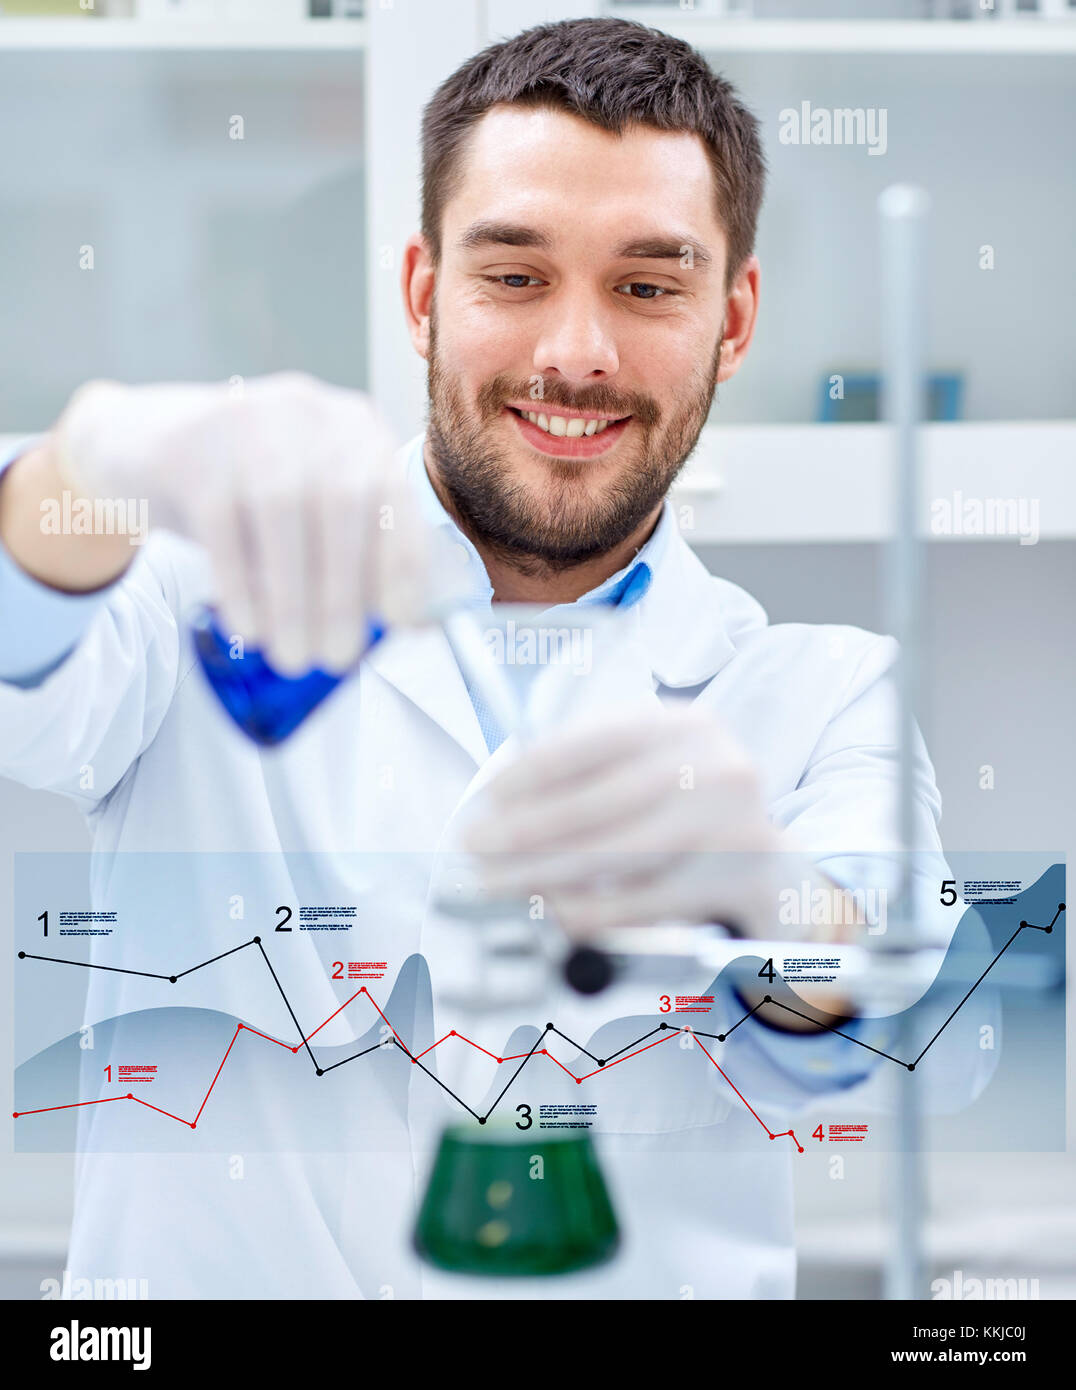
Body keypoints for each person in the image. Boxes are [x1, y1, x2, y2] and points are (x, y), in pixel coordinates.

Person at [0, 18, 991, 1300]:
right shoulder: (201, 603)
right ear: (423, 292)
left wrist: (777, 905)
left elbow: (926, 1038)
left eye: (646, 285)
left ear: (731, 319)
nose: (573, 353)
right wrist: (83, 470)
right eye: (513, 276)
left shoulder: (819, 695)